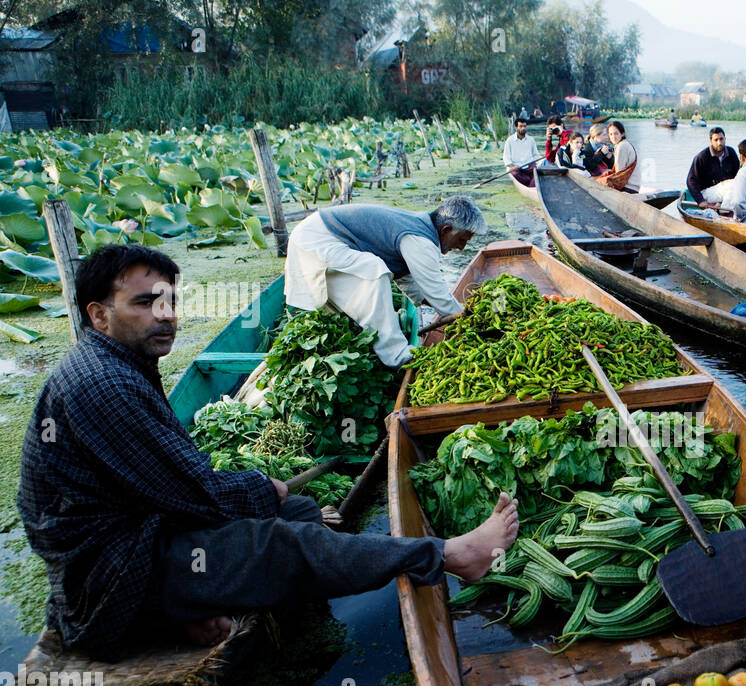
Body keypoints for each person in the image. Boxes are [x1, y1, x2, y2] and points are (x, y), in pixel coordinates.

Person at [17, 245, 519, 663]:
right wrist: (261, 487)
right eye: (145, 303)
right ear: (99, 315)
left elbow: (171, 483)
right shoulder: (104, 384)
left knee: (299, 510)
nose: (166, 316)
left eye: (170, 301)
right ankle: (454, 555)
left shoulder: (118, 361)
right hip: (111, 582)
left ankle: (184, 607)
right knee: (280, 542)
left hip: (139, 537)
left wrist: (264, 496)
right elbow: (195, 493)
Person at [284, 197, 484, 368]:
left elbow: (410, 282)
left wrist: (446, 309)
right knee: (373, 270)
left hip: (314, 236)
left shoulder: (417, 229)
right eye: (462, 239)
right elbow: (437, 294)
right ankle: (397, 356)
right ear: (446, 229)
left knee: (368, 276)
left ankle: (374, 342)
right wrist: (466, 317)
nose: (461, 247)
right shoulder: (420, 241)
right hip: (316, 240)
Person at [686, 127, 741, 205]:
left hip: (727, 191)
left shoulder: (731, 153)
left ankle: (722, 205)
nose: (719, 143)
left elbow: (738, 174)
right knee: (732, 186)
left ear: (725, 139)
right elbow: (691, 181)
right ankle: (723, 210)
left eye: (721, 139)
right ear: (711, 141)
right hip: (708, 192)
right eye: (716, 140)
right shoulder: (702, 157)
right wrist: (700, 200)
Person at [503, 117, 542, 186]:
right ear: (516, 127)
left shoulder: (531, 140)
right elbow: (506, 159)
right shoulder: (509, 141)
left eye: (524, 126)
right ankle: (528, 181)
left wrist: (541, 161)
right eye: (520, 126)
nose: (523, 128)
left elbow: (536, 155)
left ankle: (532, 184)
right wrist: (513, 167)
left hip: (529, 167)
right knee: (515, 173)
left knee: (538, 171)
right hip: (517, 168)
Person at [606, 120, 641, 192]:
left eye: (616, 134)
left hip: (628, 187)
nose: (613, 137)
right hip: (633, 185)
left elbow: (619, 172)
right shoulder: (624, 144)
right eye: (611, 134)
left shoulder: (622, 146)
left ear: (622, 134)